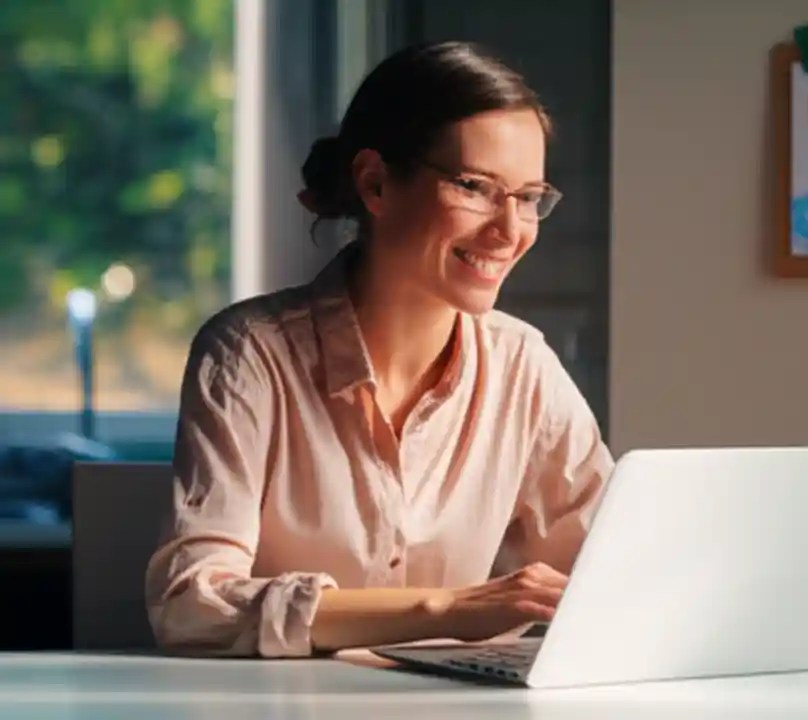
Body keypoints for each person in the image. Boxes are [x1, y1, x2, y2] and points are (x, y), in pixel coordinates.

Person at [144, 41, 614, 657]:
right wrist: (444, 607)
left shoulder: (523, 365)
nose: (510, 230)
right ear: (375, 183)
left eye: (528, 197)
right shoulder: (249, 355)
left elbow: (616, 569)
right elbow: (191, 603)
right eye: (476, 187)